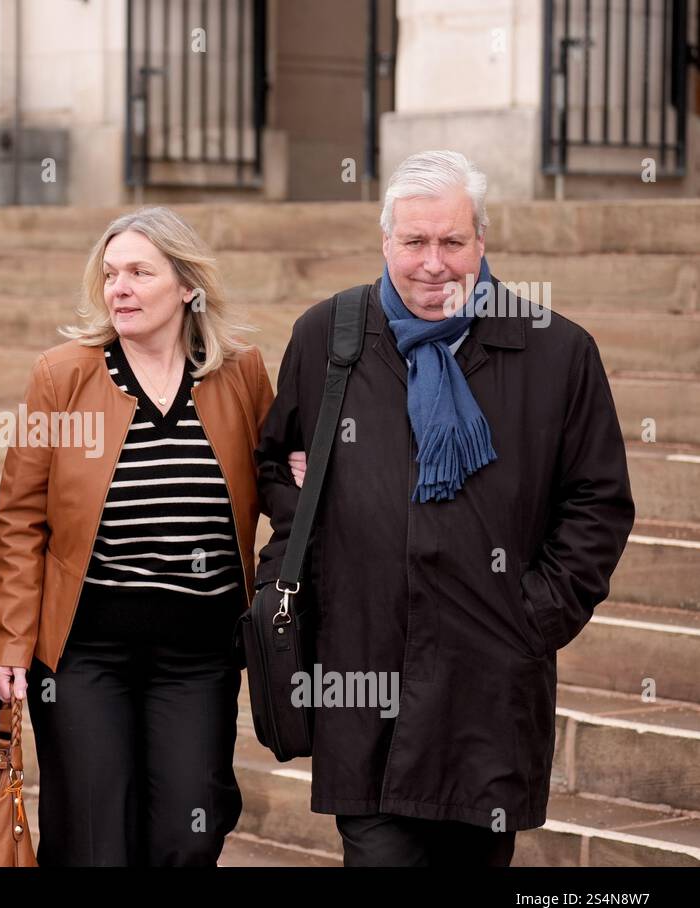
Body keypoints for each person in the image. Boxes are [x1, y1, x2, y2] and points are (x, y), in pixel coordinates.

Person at [254, 149, 635, 866]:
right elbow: (276, 464)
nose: (434, 262)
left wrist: (534, 616)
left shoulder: (557, 352)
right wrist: (320, 513)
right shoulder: (328, 337)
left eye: (452, 241)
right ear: (385, 241)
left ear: (482, 242)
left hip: (488, 692)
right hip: (363, 679)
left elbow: (599, 504)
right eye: (415, 241)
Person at [0, 205, 277, 866]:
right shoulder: (63, 375)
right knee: (93, 841)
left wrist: (299, 466)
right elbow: (18, 517)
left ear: (187, 285)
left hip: (199, 649)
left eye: (140, 272)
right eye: (111, 273)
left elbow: (277, 487)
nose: (119, 286)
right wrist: (10, 638)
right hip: (85, 648)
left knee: (189, 832)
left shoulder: (242, 374)